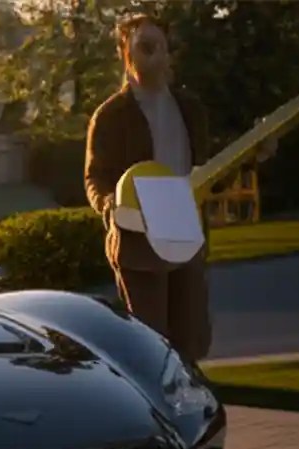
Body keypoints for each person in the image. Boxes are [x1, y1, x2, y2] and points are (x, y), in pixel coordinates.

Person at [84, 13, 273, 363]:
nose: (154, 54)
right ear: (126, 55)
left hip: (185, 231)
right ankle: (151, 413)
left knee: (191, 341)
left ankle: (189, 412)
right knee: (150, 346)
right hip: (138, 240)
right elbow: (95, 178)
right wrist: (114, 205)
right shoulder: (110, 115)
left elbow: (209, 176)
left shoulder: (190, 109)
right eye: (144, 46)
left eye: (160, 46)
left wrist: (252, 156)